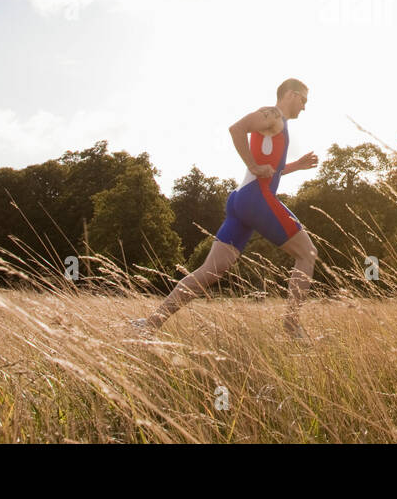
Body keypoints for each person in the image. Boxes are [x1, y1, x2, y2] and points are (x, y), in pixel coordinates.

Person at [132, 78, 320, 339]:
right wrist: (253, 166)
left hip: (242, 201)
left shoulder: (278, 124)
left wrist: (295, 166)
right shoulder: (274, 115)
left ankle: (150, 324)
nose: (305, 106)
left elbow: (270, 170)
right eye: (304, 99)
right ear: (290, 94)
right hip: (256, 199)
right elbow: (237, 129)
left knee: (209, 271)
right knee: (307, 253)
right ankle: (291, 325)